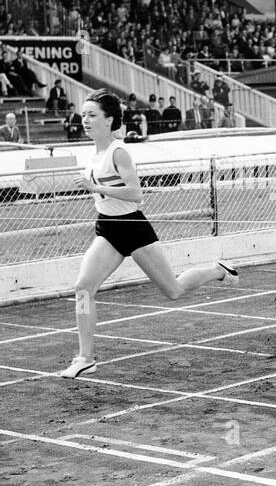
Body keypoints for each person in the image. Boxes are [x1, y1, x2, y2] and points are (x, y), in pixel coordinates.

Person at [59, 90, 238, 379]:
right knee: (83, 287)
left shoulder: (118, 151)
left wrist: (96, 188)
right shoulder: (94, 154)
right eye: (83, 115)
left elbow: (136, 194)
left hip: (132, 226)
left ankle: (217, 271)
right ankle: (85, 358)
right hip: (107, 227)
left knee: (174, 291)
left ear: (109, 120)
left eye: (92, 115)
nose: (85, 120)